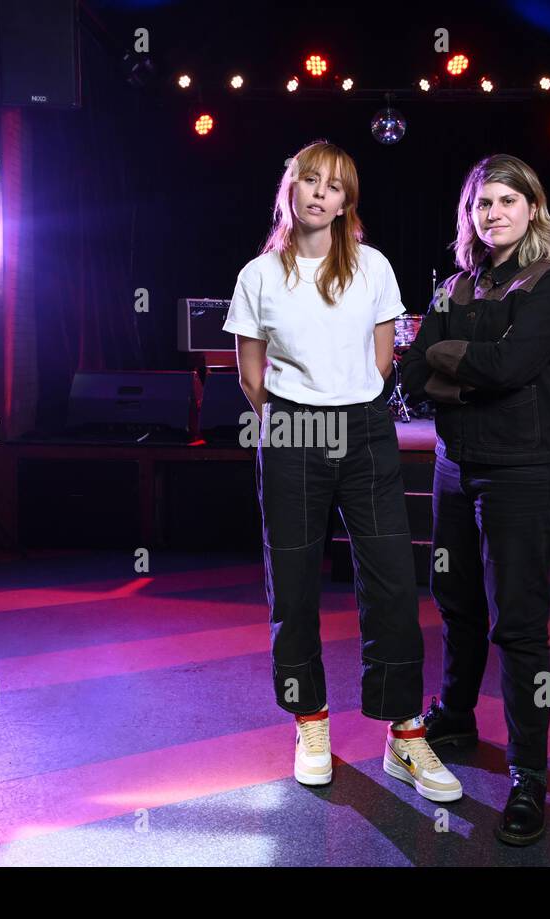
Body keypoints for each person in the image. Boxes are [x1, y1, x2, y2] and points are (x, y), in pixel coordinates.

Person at [223, 140, 462, 803]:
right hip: (293, 430)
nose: (319, 193)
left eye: (334, 185)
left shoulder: (375, 268)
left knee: (391, 579)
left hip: (364, 428)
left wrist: (346, 405)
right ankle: (310, 723)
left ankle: (405, 734)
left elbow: (383, 360)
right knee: (294, 583)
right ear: (289, 189)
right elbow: (250, 374)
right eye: (308, 180)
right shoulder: (259, 276)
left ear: (346, 201)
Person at [398, 154, 550, 844]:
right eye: (481, 204)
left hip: (524, 473)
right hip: (455, 466)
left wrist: (452, 362)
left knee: (520, 626)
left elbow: (512, 366)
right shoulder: (454, 286)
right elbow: (413, 372)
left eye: (506, 200)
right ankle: (457, 712)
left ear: (533, 208)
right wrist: (458, 367)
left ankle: (528, 773)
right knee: (457, 604)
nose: (492, 213)